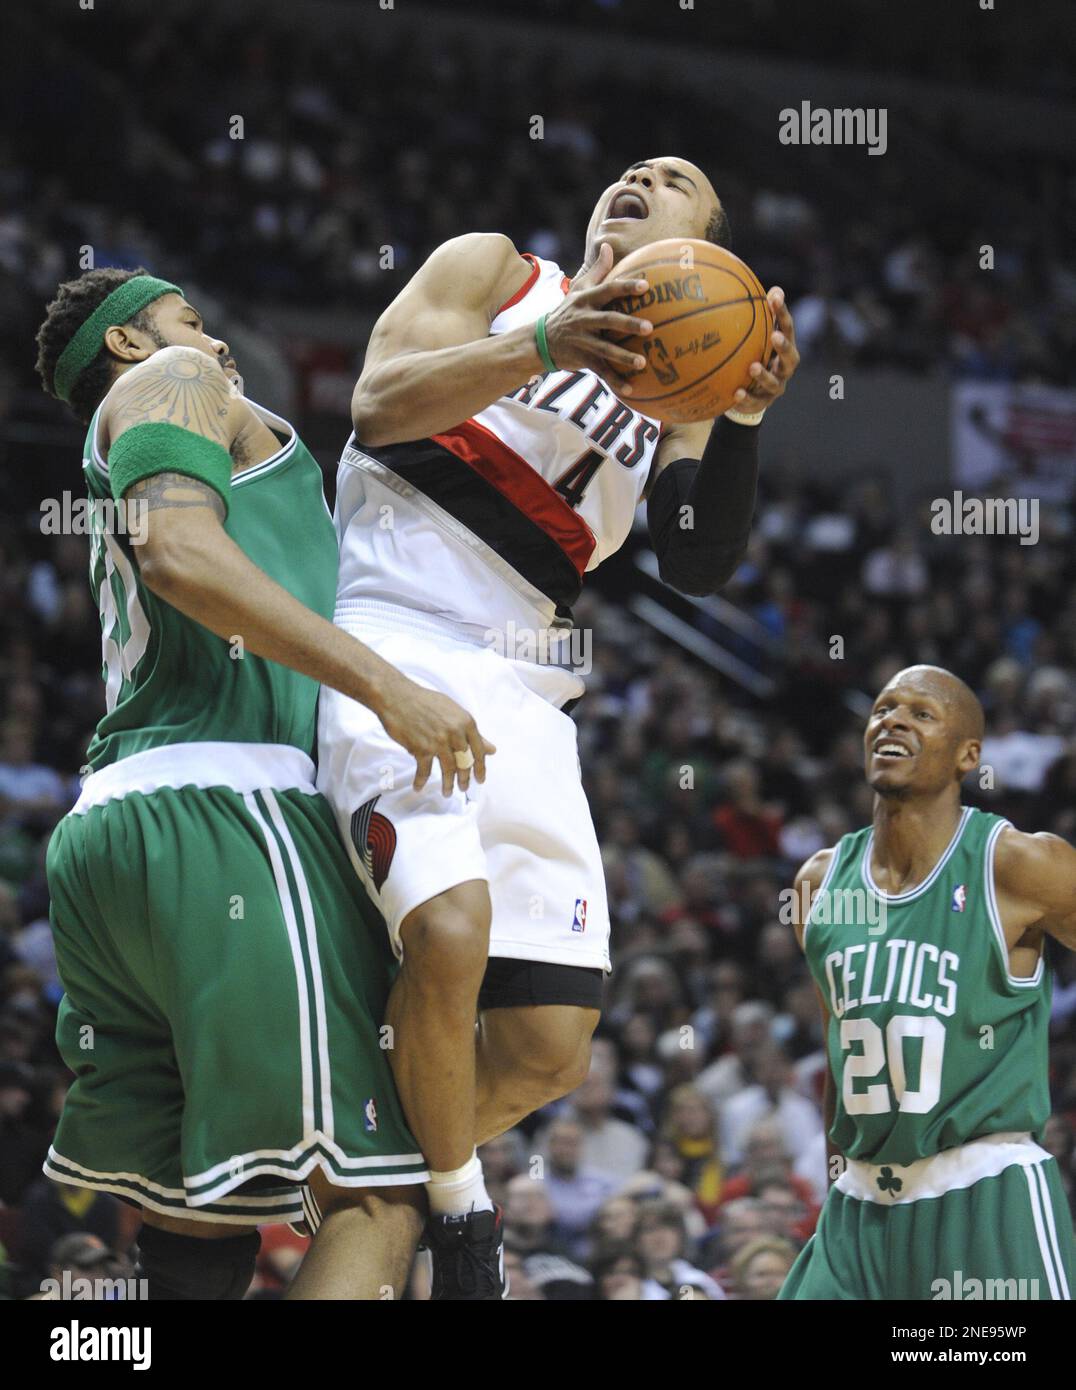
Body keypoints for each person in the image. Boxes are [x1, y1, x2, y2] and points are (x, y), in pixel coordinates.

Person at [317, 154, 800, 1293]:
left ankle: (358, 1172)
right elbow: (378, 405)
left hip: (531, 678)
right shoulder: (497, 270)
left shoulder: (680, 387)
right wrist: (545, 342)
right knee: (447, 935)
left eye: (675, 179)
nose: (639, 177)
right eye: (631, 170)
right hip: (399, 626)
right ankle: (456, 1207)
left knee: (546, 1043)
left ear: (708, 246)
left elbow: (693, 556)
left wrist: (739, 418)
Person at [33, 267, 495, 1300]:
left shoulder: (127, 425)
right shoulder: (176, 380)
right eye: (192, 319)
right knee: (377, 1196)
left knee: (200, 1222)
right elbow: (177, 551)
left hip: (115, 835)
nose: (217, 340)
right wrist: (387, 687)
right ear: (127, 341)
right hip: (227, 813)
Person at [781, 665, 1076, 1300]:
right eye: (883, 709)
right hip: (859, 1204)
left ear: (968, 755)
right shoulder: (820, 885)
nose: (892, 720)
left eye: (921, 713)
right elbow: (842, 1036)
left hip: (983, 1192)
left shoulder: (1017, 863)